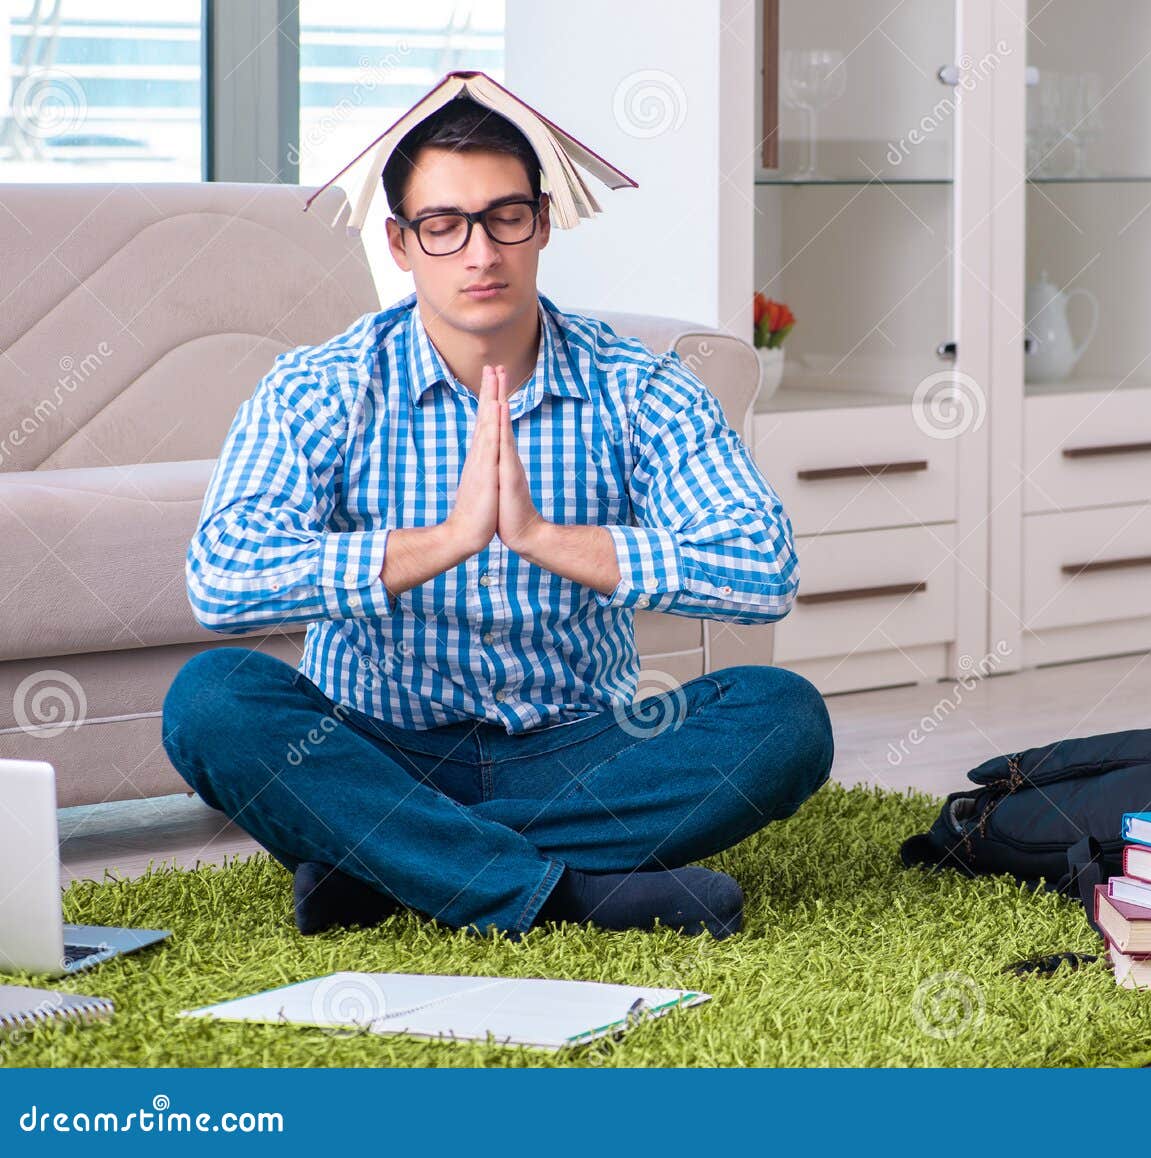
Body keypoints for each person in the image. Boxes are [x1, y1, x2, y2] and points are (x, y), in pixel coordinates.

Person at [161, 97, 832, 942]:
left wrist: (546, 541)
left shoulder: (638, 385)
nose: (480, 252)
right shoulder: (321, 385)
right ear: (401, 244)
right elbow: (221, 580)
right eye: (443, 225)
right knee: (211, 702)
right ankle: (564, 894)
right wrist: (443, 544)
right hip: (379, 749)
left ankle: (388, 864)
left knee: (784, 718)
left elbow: (763, 567)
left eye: (504, 218)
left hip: (577, 751)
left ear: (542, 223)